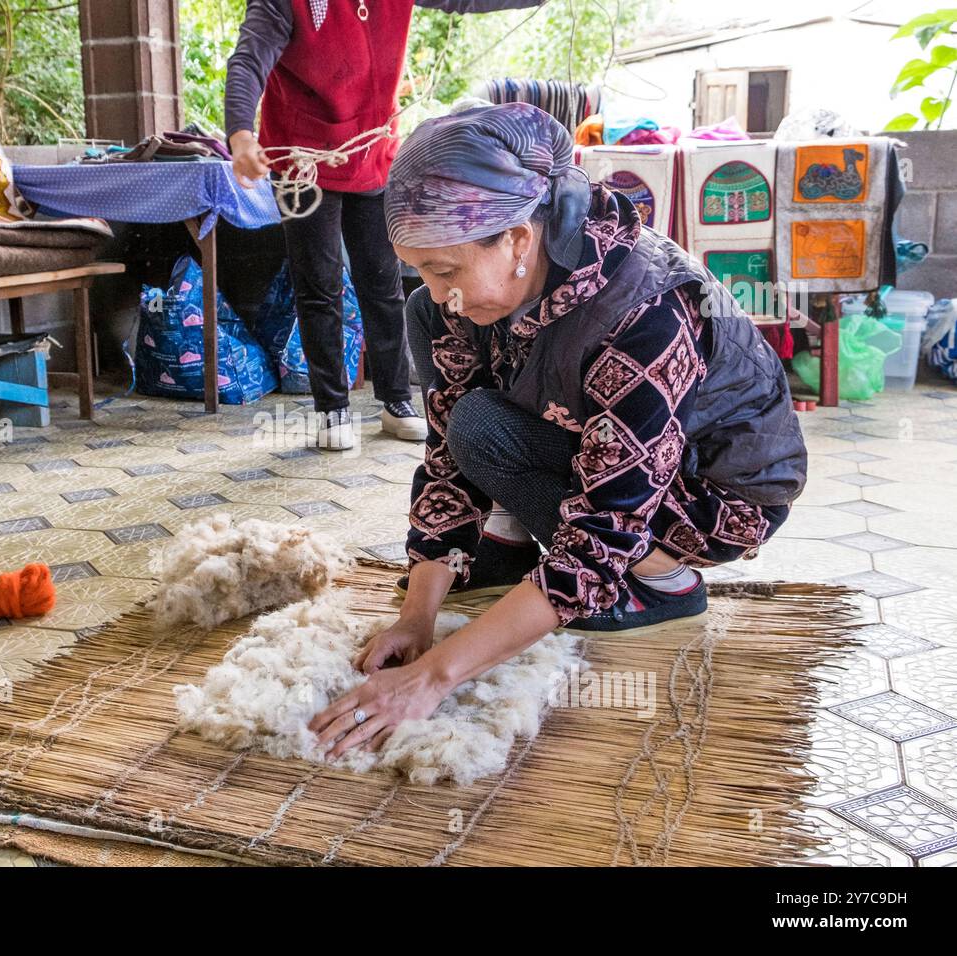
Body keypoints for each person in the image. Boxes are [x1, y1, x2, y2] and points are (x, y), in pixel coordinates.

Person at [306, 103, 807, 759]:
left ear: (518, 238)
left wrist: (433, 677)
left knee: (515, 455)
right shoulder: (460, 300)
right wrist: (418, 617)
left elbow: (604, 526)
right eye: (420, 270)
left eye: (446, 270)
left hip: (716, 492)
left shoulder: (643, 311)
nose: (434, 292)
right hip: (593, 442)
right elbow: (447, 460)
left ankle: (663, 584)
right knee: (474, 425)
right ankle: (510, 546)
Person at [225, 0, 544, 450]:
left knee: (382, 279)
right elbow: (248, 58)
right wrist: (241, 134)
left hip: (371, 152)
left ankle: (396, 401)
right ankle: (332, 408)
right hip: (303, 160)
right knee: (318, 282)